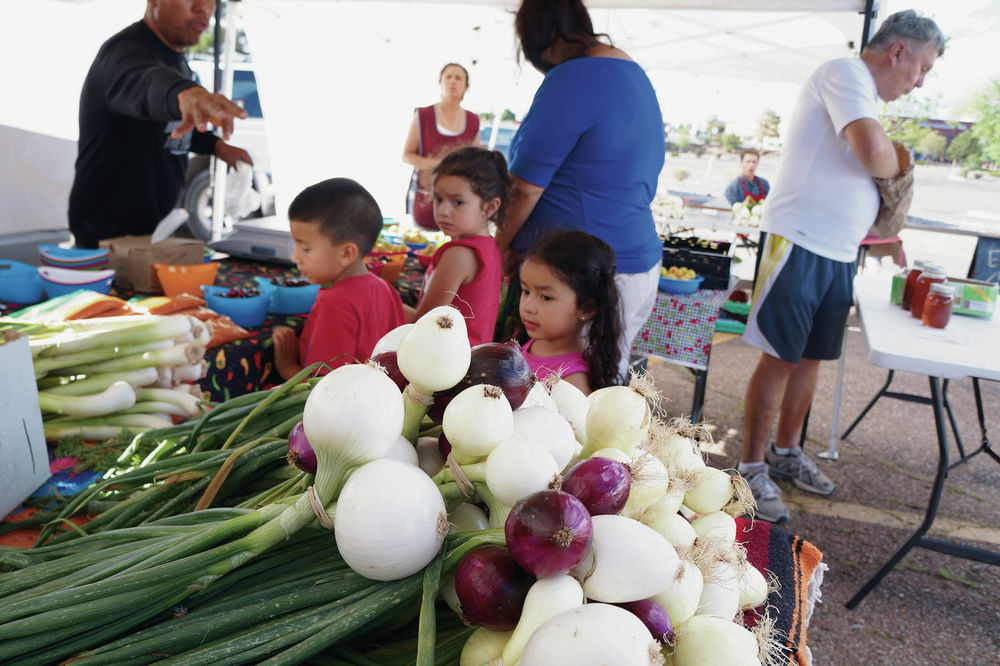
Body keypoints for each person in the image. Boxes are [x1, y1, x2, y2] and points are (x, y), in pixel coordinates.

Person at [738, 9, 944, 523]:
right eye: (922, 68)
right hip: (798, 240)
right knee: (779, 358)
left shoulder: (864, 96)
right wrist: (900, 162)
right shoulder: (845, 72)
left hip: (838, 251)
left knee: (811, 360)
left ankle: (786, 452)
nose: (920, 82)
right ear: (898, 51)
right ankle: (750, 467)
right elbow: (875, 154)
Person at [497, 0, 665, 383]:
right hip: (631, 262)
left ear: (541, 40)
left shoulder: (574, 76)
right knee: (600, 384)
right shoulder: (633, 74)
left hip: (584, 274)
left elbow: (524, 188)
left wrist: (498, 246)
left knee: (569, 395)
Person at [69, 0, 253, 249]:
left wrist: (218, 146)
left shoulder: (178, 61)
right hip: (106, 242)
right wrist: (186, 94)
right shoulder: (124, 53)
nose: (204, 7)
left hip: (152, 233)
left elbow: (173, 127)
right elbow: (149, 86)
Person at [272, 178, 406, 380]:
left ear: (346, 253)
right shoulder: (385, 288)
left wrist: (287, 367)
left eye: (305, 248)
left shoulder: (335, 303)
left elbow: (324, 387)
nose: (294, 257)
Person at [405, 147, 507, 347]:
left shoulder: (459, 255)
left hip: (446, 361)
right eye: (438, 199)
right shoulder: (490, 246)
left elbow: (421, 325)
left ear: (490, 207)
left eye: (457, 202)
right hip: (473, 358)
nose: (443, 211)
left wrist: (387, 300)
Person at [517, 230, 622, 395]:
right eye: (526, 291)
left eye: (545, 297)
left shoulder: (572, 383)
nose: (527, 306)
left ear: (587, 308)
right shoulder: (530, 340)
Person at [402, 63, 482, 232]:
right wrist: (439, 163)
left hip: (459, 200)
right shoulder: (423, 115)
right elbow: (407, 155)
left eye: (458, 78)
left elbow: (476, 160)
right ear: (440, 82)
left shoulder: (473, 120)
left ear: (466, 87)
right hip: (426, 197)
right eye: (448, 77)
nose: (452, 81)